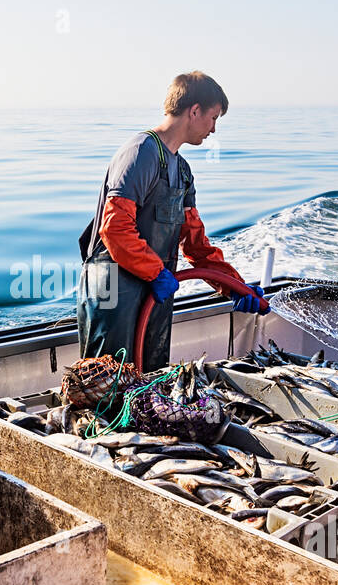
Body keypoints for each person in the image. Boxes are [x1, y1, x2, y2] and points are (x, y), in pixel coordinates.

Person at [77, 71, 264, 371]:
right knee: (108, 387)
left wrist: (236, 288)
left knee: (150, 380)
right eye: (213, 118)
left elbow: (197, 247)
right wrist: (155, 273)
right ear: (194, 111)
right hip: (114, 295)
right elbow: (115, 229)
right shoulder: (141, 153)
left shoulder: (184, 171)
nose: (214, 129)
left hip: (154, 293)